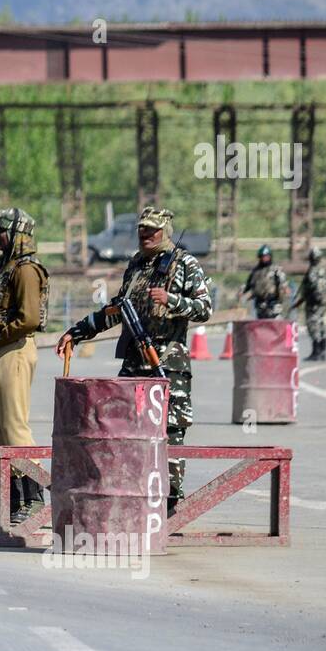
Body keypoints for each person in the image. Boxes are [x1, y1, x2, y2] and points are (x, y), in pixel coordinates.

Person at [56, 206, 212, 515]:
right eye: (141, 229)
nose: (145, 234)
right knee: (123, 427)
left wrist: (173, 300)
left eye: (152, 229)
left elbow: (204, 308)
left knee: (170, 430)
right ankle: (131, 491)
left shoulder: (185, 264)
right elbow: (117, 310)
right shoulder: (136, 265)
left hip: (167, 361)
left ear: (165, 231)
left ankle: (169, 501)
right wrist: (77, 332)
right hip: (133, 361)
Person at [0, 207, 49, 522]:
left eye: (1, 230)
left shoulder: (26, 270)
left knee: (16, 428)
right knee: (1, 430)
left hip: (12, 350)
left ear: (17, 233)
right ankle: (10, 500)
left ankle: (35, 496)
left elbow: (28, 318)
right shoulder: (4, 266)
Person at [291, 246, 326, 361]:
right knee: (322, 326)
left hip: (313, 304)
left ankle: (316, 352)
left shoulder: (312, 272)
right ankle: (323, 352)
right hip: (324, 304)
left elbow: (307, 291)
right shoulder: (325, 271)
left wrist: (298, 303)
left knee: (313, 327)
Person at [242, 244, 290, 319]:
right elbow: (248, 286)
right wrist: (243, 293)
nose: (265, 258)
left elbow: (284, 285)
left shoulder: (276, 269)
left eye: (267, 256)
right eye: (263, 257)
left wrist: (285, 291)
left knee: (275, 323)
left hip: (274, 303)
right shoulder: (255, 272)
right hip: (260, 304)